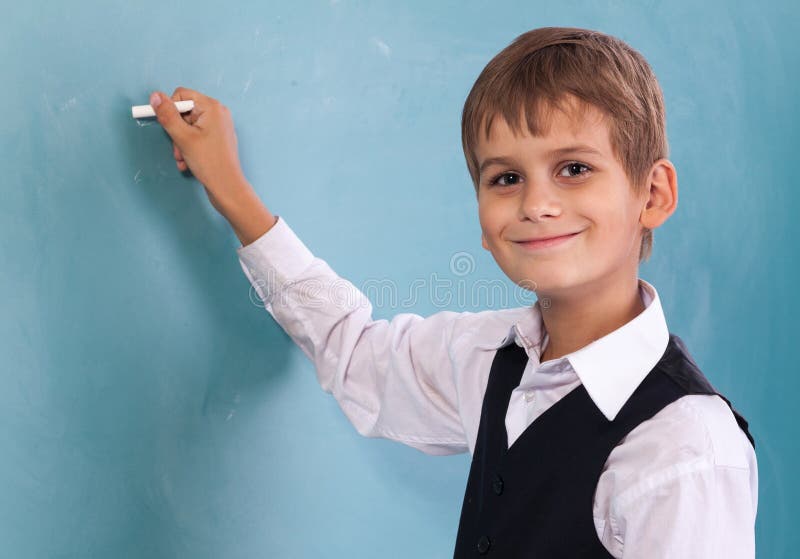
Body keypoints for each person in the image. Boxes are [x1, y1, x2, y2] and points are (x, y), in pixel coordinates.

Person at [149, 26, 758, 558]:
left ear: (652, 196)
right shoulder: (493, 357)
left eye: (574, 168)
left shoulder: (685, 446)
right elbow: (354, 350)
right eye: (506, 178)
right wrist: (230, 190)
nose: (537, 204)